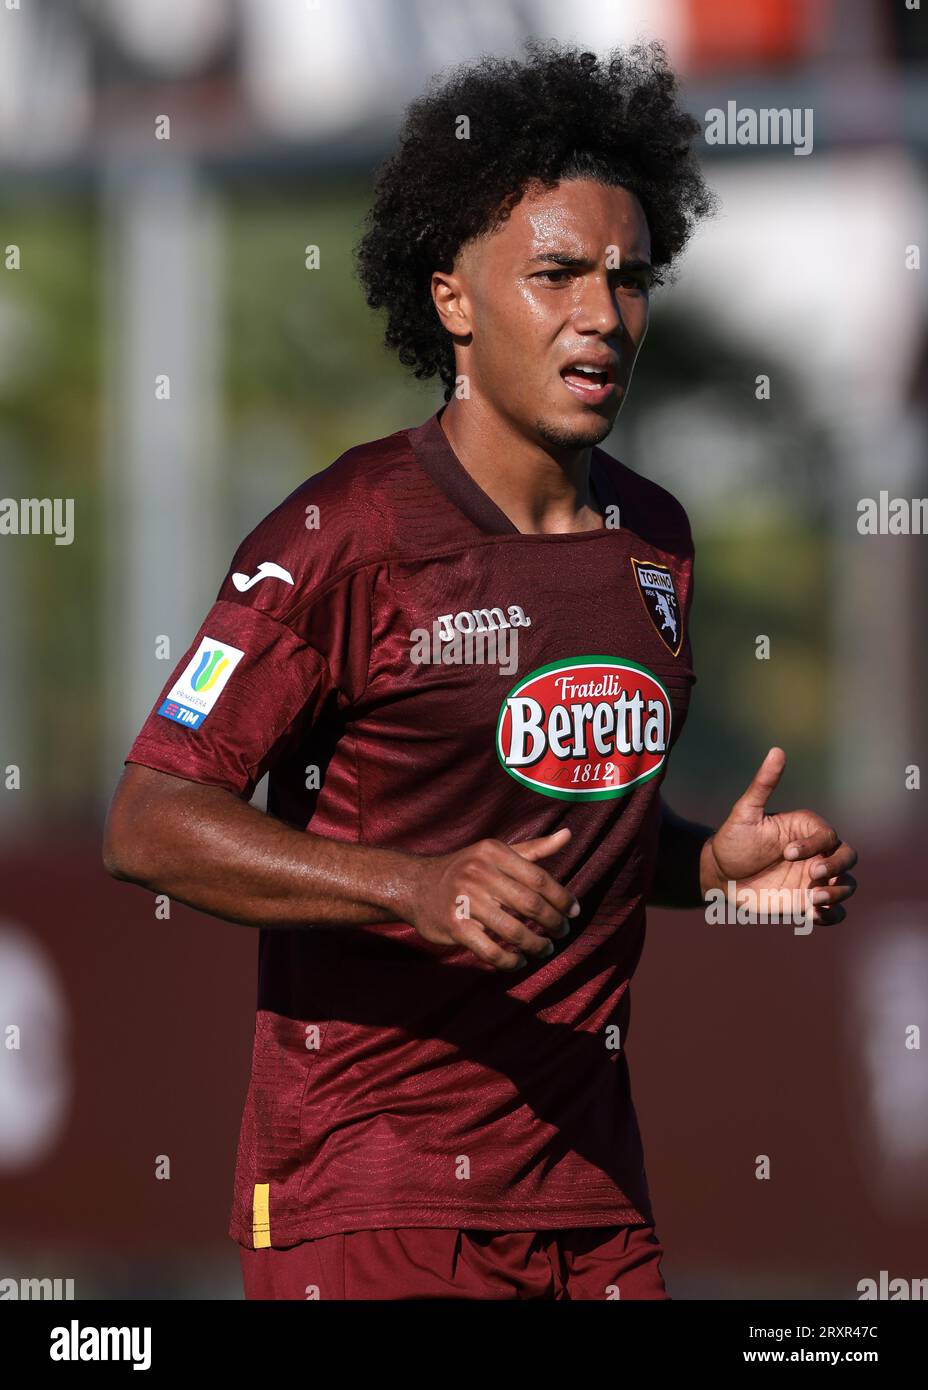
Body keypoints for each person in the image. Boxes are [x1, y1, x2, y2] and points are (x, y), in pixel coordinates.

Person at [103, 41, 858, 1300]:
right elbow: (149, 820)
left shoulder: (656, 540)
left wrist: (710, 868)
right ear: (452, 298)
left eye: (628, 280)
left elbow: (570, 828)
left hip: (594, 1201)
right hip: (371, 1197)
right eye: (554, 274)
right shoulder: (344, 534)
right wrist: (407, 886)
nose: (599, 317)